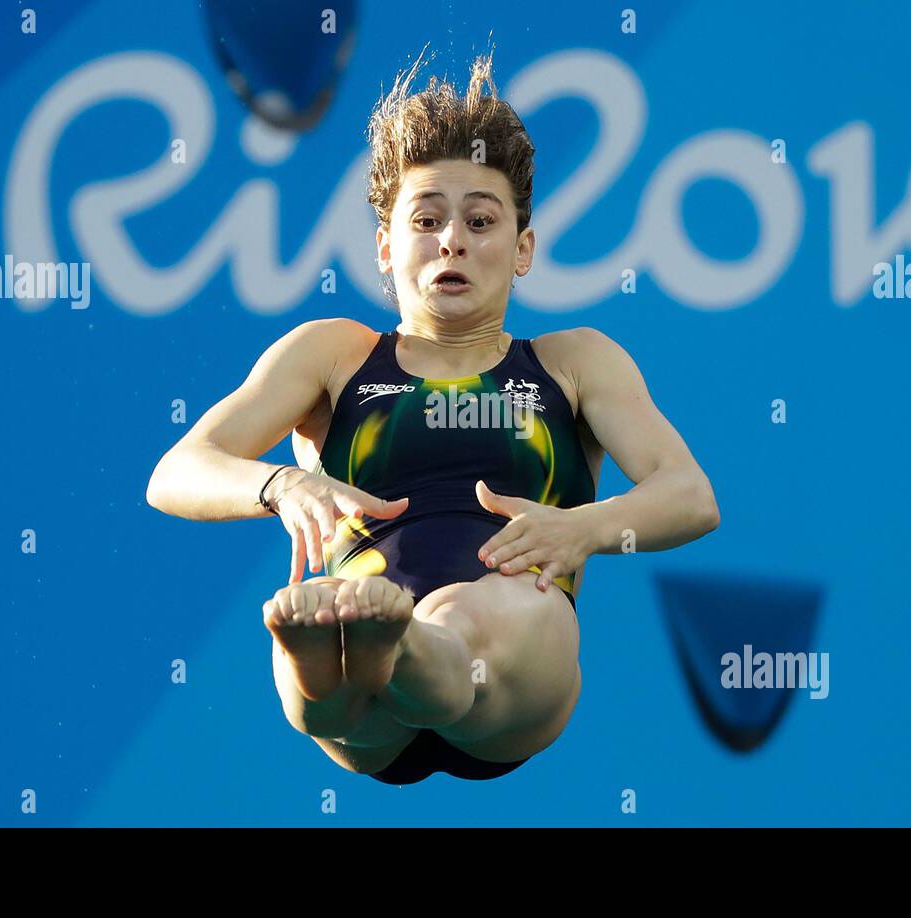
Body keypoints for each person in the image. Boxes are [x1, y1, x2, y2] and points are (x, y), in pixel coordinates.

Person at [146, 48, 720, 784]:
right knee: (327, 614)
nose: (452, 239)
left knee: (462, 614)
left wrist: (583, 529)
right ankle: (346, 670)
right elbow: (176, 472)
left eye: (480, 221)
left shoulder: (575, 362)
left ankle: (388, 651)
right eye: (427, 219)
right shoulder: (333, 354)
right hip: (366, 646)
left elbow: (689, 496)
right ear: (386, 247)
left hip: (517, 662)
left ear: (522, 250)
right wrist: (283, 487)